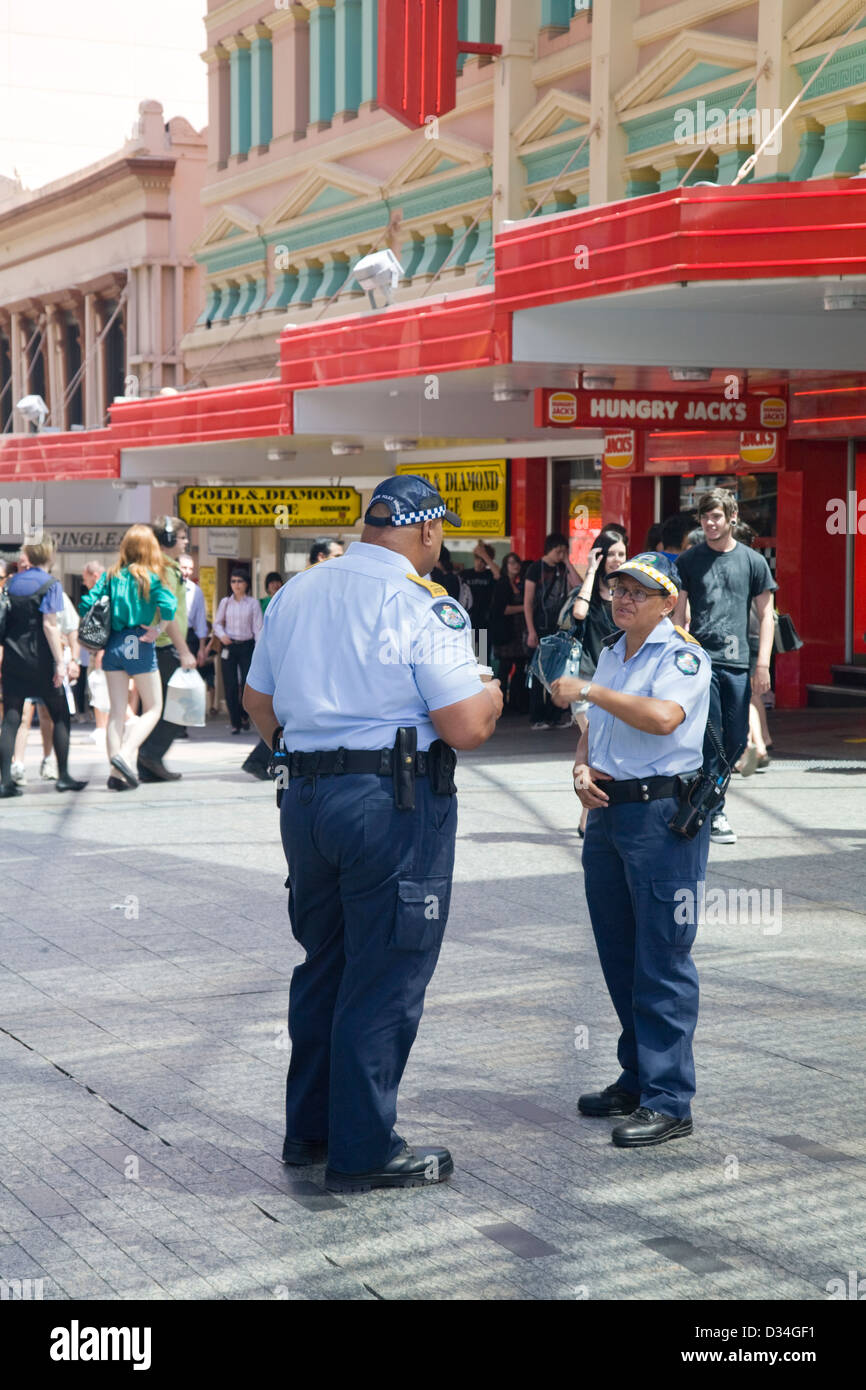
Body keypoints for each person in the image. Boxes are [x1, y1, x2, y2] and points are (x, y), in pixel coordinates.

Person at [243, 473, 502, 1194]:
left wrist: (305, 756)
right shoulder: (424, 603)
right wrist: (494, 693)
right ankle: (362, 1148)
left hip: (307, 802)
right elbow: (466, 725)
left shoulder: (298, 591)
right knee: (386, 971)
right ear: (427, 531)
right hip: (390, 804)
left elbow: (256, 700)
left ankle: (312, 1131)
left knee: (323, 962)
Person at [550, 552, 711, 1147]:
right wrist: (579, 770)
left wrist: (590, 686)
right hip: (608, 813)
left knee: (662, 957)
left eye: (638, 592)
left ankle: (670, 1098)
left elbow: (665, 717)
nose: (622, 599)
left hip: (661, 818)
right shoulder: (615, 652)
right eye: (618, 589)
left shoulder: (683, 655)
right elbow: (593, 726)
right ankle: (638, 1074)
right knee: (619, 952)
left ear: (667, 602)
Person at [673, 489, 776, 844]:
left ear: (732, 517)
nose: (710, 523)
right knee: (712, 738)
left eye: (716, 516)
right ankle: (713, 812)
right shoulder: (688, 561)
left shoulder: (752, 562)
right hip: (701, 662)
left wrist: (762, 664)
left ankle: (702, 797)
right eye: (704, 517)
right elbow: (678, 615)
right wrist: (677, 654)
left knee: (734, 742)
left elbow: (766, 615)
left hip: (738, 663)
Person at [80, 525, 194, 791]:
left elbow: (87, 603)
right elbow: (169, 605)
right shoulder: (151, 576)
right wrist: (159, 629)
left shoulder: (111, 575)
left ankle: (115, 773)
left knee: (117, 713)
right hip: (140, 642)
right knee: (154, 707)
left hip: (114, 643)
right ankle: (125, 754)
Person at [0, 537, 87, 796]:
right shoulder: (51, 585)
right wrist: (61, 662)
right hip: (42, 661)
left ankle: (5, 780)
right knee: (59, 714)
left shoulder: (11, 583)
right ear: (50, 554)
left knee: (11, 719)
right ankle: (63, 776)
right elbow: (51, 625)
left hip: (14, 660)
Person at [563, 530, 627, 834]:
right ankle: (588, 818)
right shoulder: (591, 587)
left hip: (618, 680)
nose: (617, 560)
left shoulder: (628, 589)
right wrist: (590, 570)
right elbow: (579, 612)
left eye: (622, 554)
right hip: (586, 676)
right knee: (592, 744)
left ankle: (589, 817)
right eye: (611, 554)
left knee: (600, 751)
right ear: (600, 556)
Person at [136, 517, 190, 782]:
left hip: (158, 647)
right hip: (165, 646)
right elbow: (166, 614)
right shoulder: (165, 570)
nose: (186, 542)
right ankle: (149, 754)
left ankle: (148, 763)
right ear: (168, 540)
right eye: (181, 537)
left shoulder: (166, 567)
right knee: (178, 708)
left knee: (158, 708)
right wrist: (185, 650)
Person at [524, 532, 578, 729]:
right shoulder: (535, 569)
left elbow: (578, 585)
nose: (560, 555)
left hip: (559, 629)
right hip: (540, 626)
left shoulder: (563, 568)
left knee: (558, 671)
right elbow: (528, 602)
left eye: (564, 551)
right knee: (539, 674)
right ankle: (538, 716)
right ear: (549, 550)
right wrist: (531, 630)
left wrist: (568, 562)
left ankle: (555, 715)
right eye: (558, 551)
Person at [214, 570, 263, 734]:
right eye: (233, 581)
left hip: (247, 646)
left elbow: (258, 629)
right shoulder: (225, 602)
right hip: (229, 646)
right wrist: (222, 636)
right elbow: (217, 623)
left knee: (247, 683)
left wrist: (259, 650)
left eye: (239, 581)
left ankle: (244, 715)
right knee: (230, 685)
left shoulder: (252, 603)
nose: (236, 584)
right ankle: (235, 722)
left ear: (246, 583)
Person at [490, 552, 527, 714]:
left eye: (517, 562)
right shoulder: (503, 583)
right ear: (506, 566)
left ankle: (516, 703)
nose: (515, 566)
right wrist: (525, 608)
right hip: (506, 632)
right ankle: (501, 705)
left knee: (520, 667)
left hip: (519, 633)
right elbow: (502, 609)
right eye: (511, 563)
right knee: (504, 669)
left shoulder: (520, 583)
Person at [460, 542, 501, 639]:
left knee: (481, 653)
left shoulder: (489, 575)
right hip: (467, 620)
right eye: (477, 559)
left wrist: (485, 555)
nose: (479, 563)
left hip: (483, 621)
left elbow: (499, 575)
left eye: (483, 561)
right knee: (468, 652)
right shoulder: (465, 574)